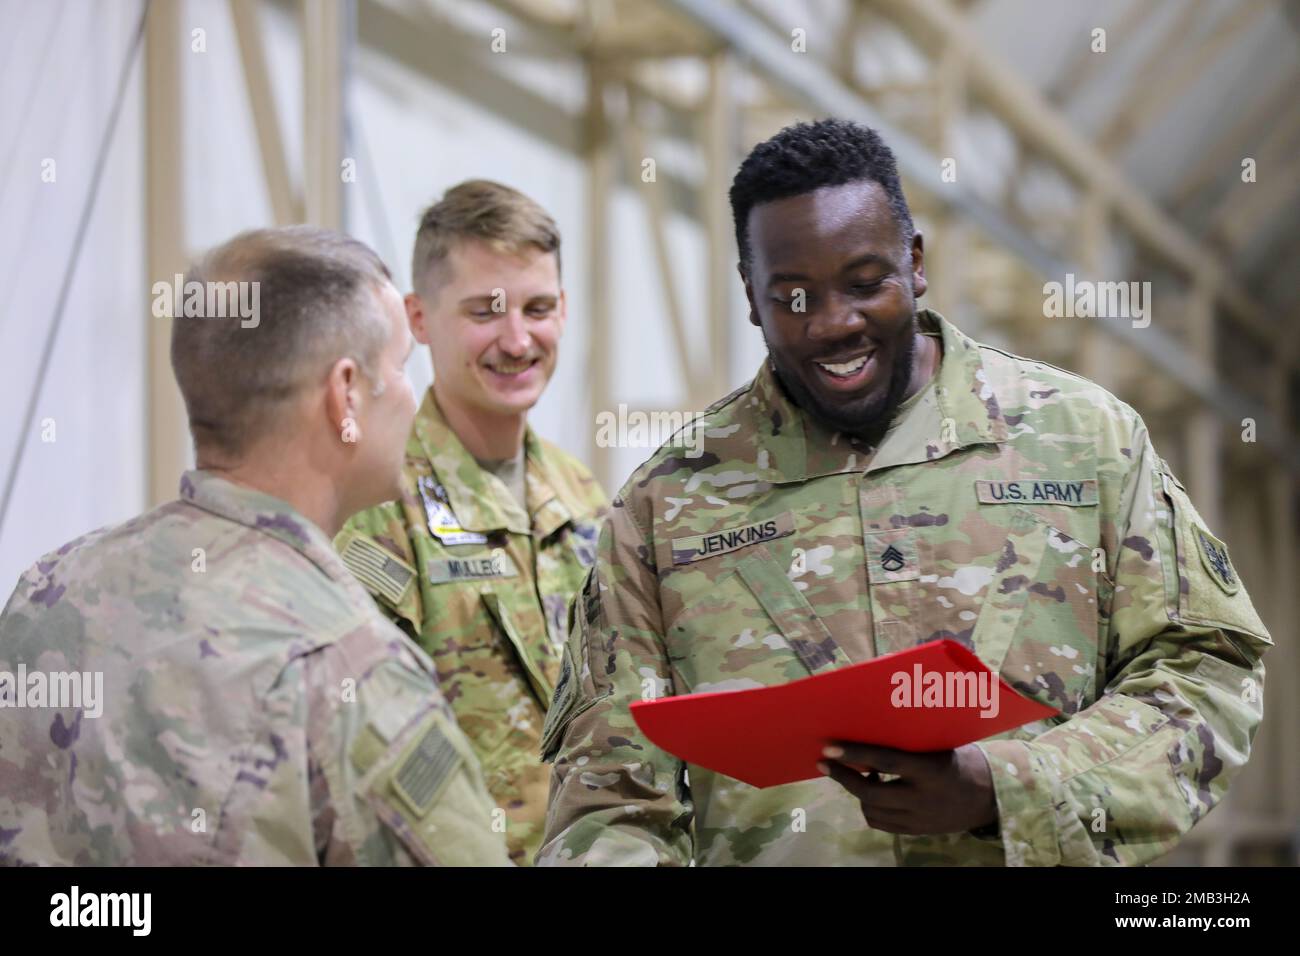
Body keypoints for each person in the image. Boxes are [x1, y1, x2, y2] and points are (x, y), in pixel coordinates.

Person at [537, 119, 1272, 866]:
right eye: (793, 298)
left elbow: (1204, 675)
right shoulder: (667, 504)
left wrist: (1008, 786)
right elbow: (609, 797)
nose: (833, 323)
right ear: (751, 298)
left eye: (864, 284)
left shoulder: (1087, 441)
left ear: (916, 263)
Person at [0, 226, 511, 866]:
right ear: (345, 394)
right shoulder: (347, 667)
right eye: (403, 367)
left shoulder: (46, 594)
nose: (413, 396)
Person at [337, 181, 607, 864]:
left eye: (538, 308)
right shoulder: (376, 508)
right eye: (485, 312)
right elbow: (358, 751)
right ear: (420, 319)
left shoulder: (585, 500)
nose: (517, 340)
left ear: (564, 311)